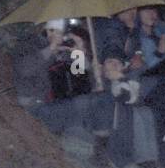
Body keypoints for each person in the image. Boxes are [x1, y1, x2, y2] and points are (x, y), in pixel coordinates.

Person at [13, 21, 114, 156]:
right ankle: (82, 146)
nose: (61, 36)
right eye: (56, 31)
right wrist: (51, 48)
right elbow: (25, 70)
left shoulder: (64, 52)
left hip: (62, 104)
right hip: (38, 108)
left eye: (63, 32)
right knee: (84, 103)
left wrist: (80, 54)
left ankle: (96, 143)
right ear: (47, 30)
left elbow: (81, 82)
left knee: (99, 98)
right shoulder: (29, 44)